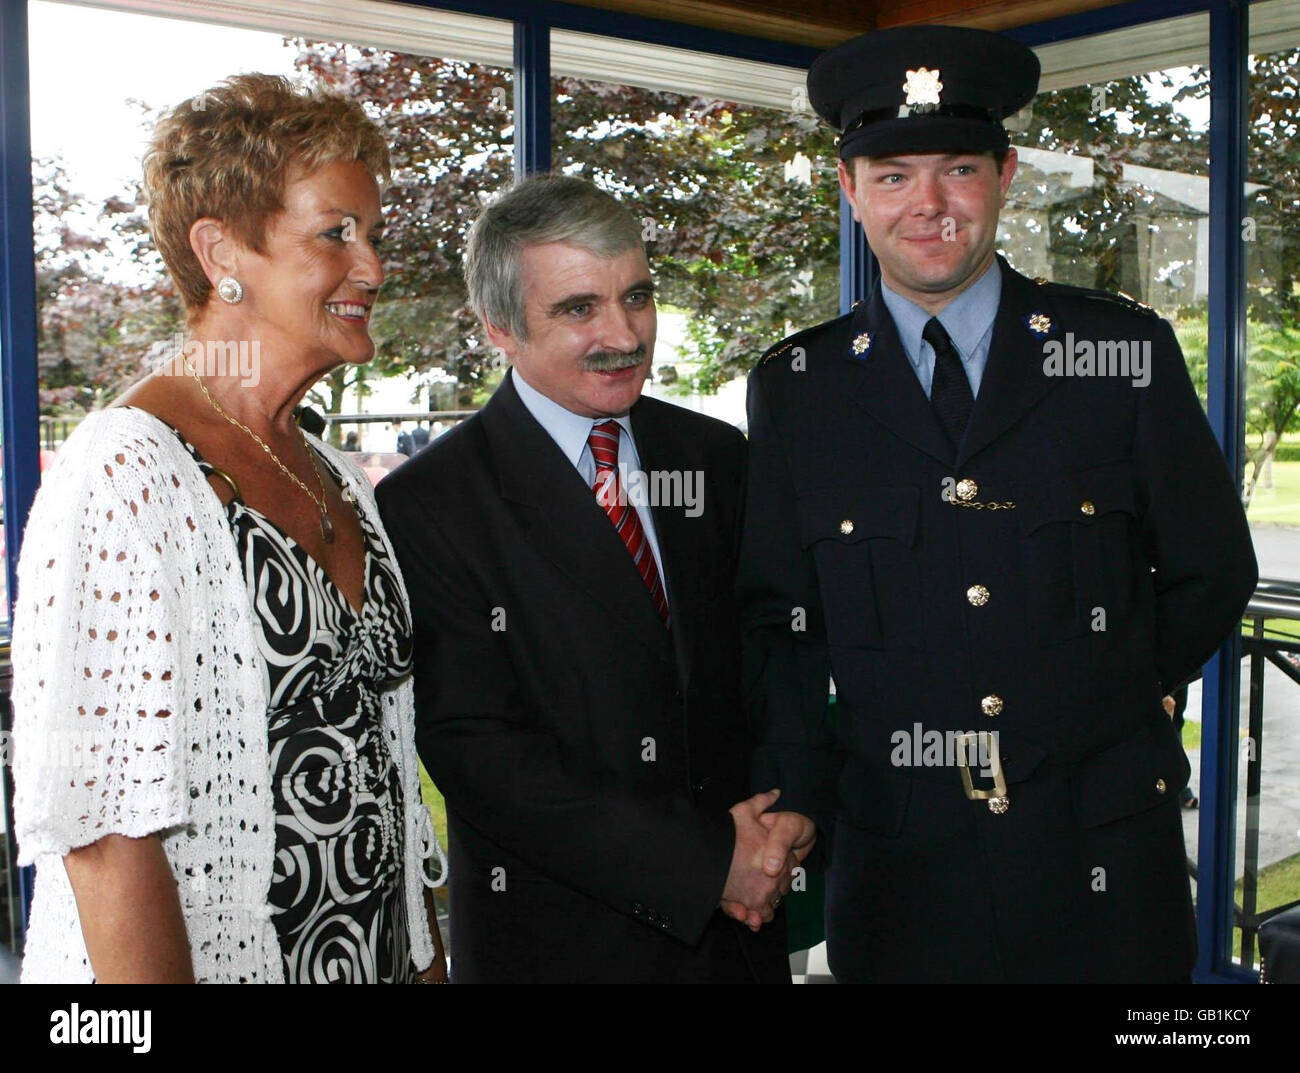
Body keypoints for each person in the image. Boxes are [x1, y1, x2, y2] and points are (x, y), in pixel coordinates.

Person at [738, 25, 1258, 983]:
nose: (928, 205)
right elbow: (781, 620)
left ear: (1006, 176)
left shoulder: (1118, 356)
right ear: (849, 192)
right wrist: (797, 790)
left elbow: (1212, 566)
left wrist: (1110, 692)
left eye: (959, 169)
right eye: (892, 175)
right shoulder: (798, 387)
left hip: (1100, 848)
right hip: (902, 864)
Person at [11, 74, 447, 984]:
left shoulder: (335, 476)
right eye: (336, 234)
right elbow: (103, 833)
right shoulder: (125, 471)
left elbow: (387, 774)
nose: (372, 266)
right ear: (221, 251)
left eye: (373, 235)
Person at [377, 175, 804, 983]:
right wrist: (707, 863)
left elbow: (775, 650)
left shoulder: (718, 459)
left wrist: (786, 822)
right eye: (579, 309)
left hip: (741, 944)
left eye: (636, 296)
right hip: (563, 946)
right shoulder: (429, 504)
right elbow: (477, 751)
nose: (624, 333)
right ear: (499, 326)